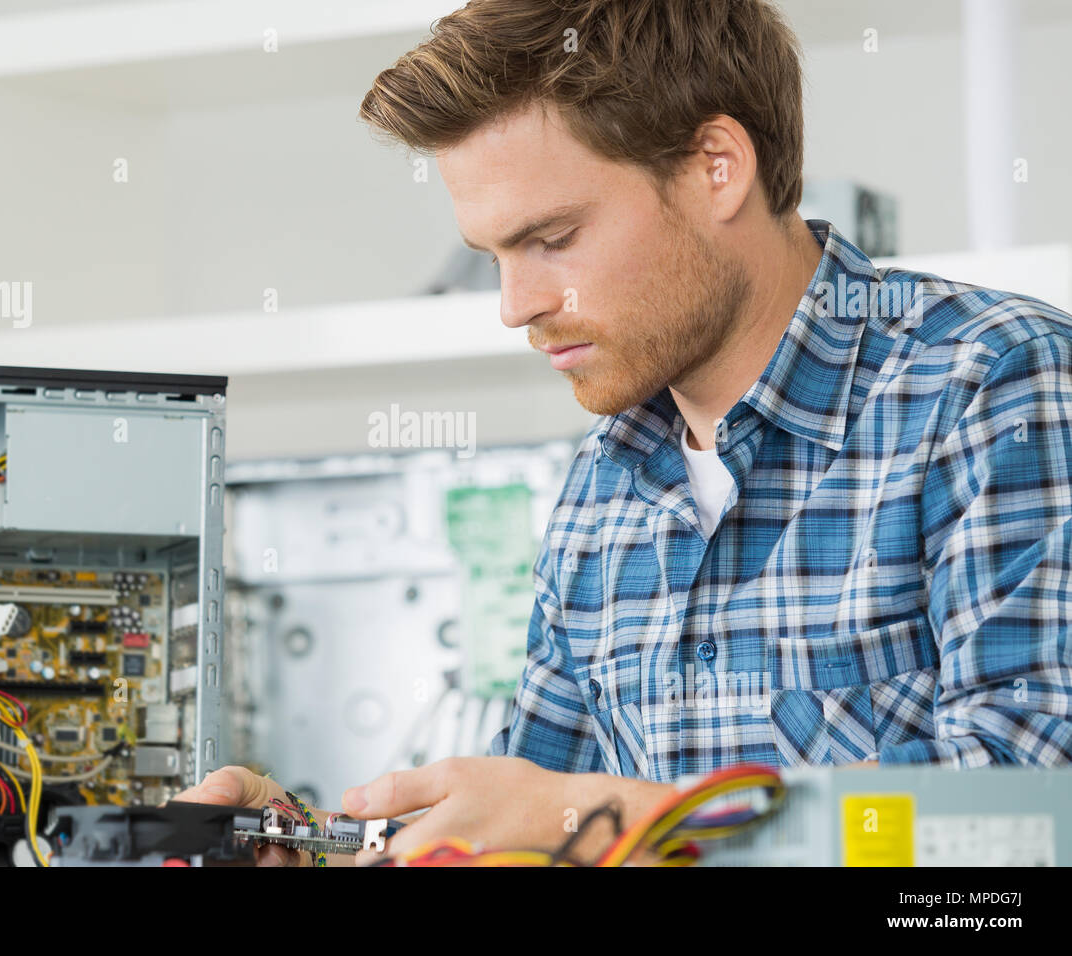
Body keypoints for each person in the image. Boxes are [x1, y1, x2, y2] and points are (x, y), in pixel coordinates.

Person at [178, 0, 1072, 865]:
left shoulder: (993, 386)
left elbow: (1034, 820)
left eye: (553, 238)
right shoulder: (603, 487)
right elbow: (525, 836)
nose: (515, 305)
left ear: (715, 167)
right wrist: (318, 845)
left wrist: (598, 814)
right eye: (495, 257)